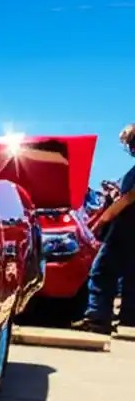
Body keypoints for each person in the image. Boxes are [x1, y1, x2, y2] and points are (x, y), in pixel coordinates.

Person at [74, 124, 135, 333]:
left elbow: (129, 198)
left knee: (102, 270)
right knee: (130, 275)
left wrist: (103, 220)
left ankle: (98, 317)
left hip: (125, 227)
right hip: (127, 227)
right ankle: (129, 320)